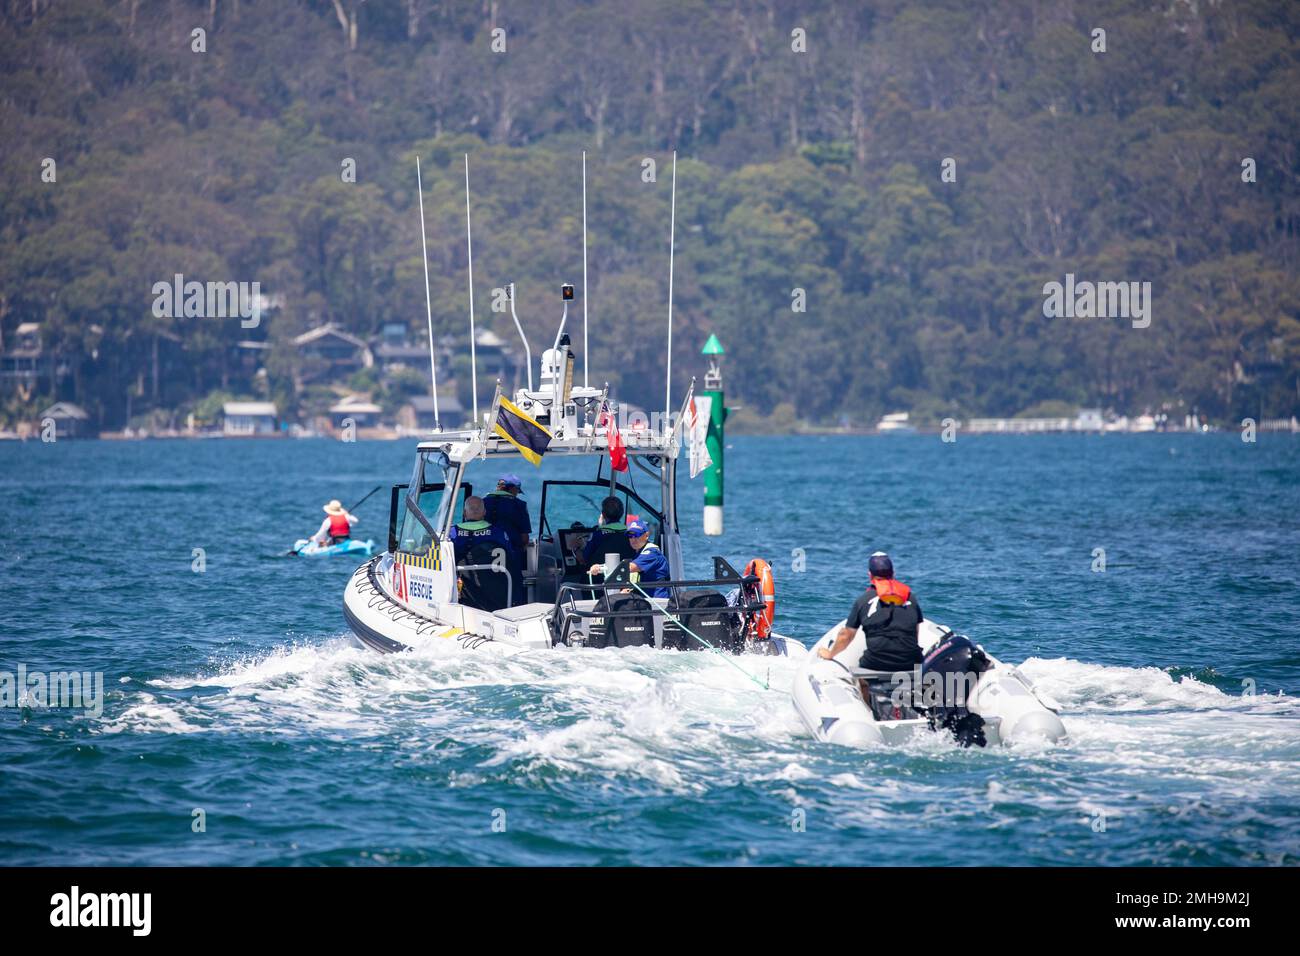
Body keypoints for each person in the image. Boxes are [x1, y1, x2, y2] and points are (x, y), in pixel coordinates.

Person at [817, 551, 923, 672]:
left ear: (870, 575)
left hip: (876, 663)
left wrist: (830, 654)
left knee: (862, 680)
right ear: (893, 574)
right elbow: (914, 631)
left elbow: (846, 635)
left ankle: (865, 689)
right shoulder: (911, 598)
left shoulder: (863, 600)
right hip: (912, 663)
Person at [448, 496, 513, 564]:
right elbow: (510, 556)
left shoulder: (451, 532)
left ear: (464, 513)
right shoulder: (498, 532)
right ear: (484, 512)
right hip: (492, 572)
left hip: (459, 573)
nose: (475, 510)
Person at [576, 496, 630, 568]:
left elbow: (585, 558)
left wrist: (577, 548)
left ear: (603, 514)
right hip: (624, 574)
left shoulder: (598, 534)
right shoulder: (629, 534)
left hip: (598, 576)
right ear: (622, 513)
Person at [483, 474, 531, 554]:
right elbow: (524, 538)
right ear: (513, 488)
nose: (517, 494)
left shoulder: (482, 502)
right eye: (518, 491)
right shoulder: (520, 505)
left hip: (484, 552)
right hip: (512, 553)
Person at [626, 516, 671, 598]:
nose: (633, 539)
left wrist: (601, 568)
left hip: (658, 602)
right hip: (646, 599)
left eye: (637, 535)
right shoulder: (638, 553)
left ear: (646, 535)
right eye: (630, 536)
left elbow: (629, 568)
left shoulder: (651, 553)